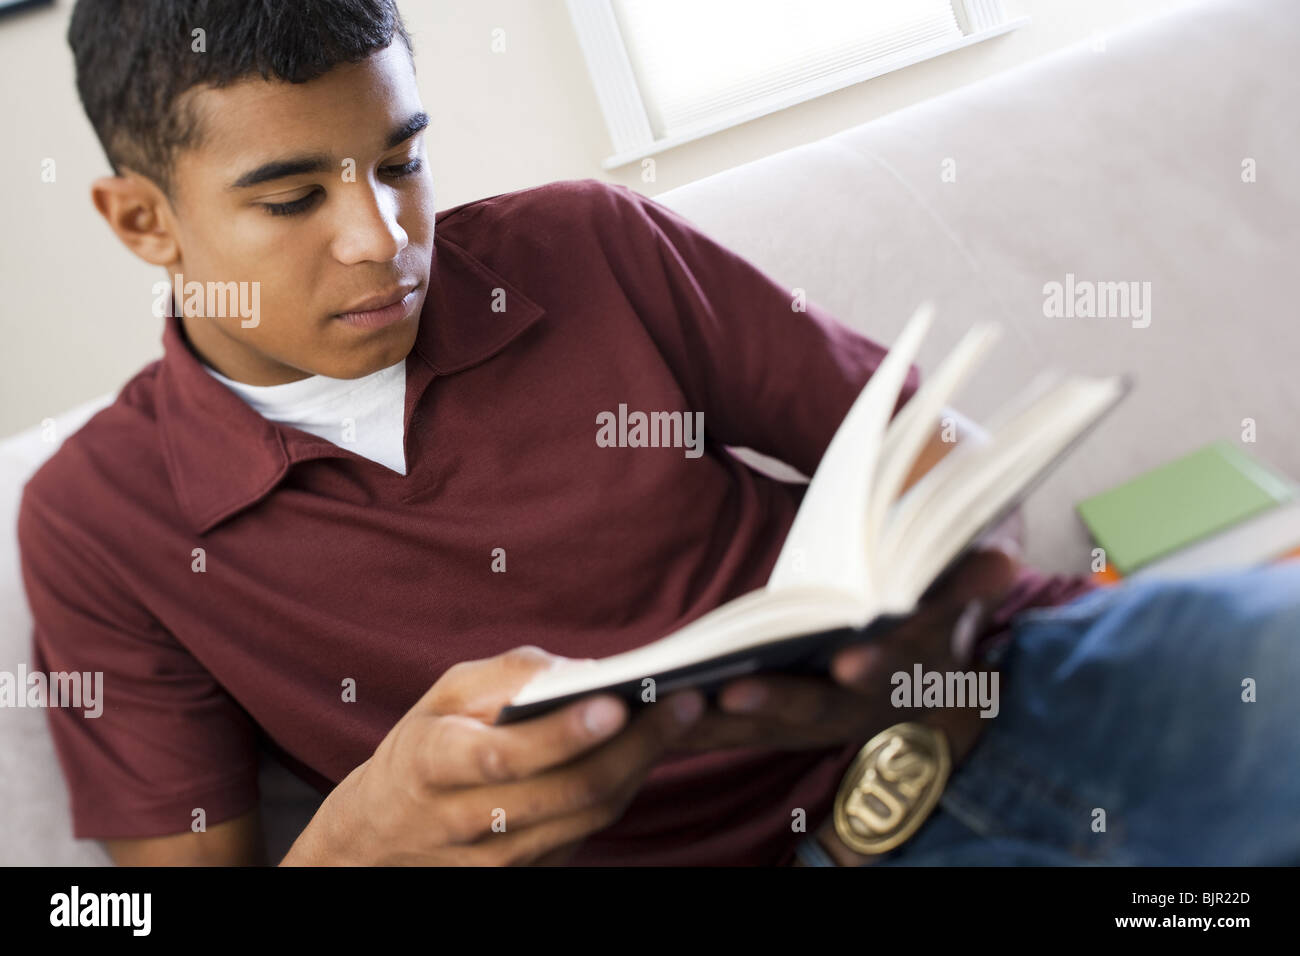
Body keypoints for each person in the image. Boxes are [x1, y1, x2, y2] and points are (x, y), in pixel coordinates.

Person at [18, 0, 1297, 867]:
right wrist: (364, 840)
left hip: (1010, 705)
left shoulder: (582, 243)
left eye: (400, 160)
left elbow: (937, 451)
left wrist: (933, 609)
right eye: (293, 195)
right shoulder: (100, 521)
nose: (382, 239)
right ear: (142, 220)